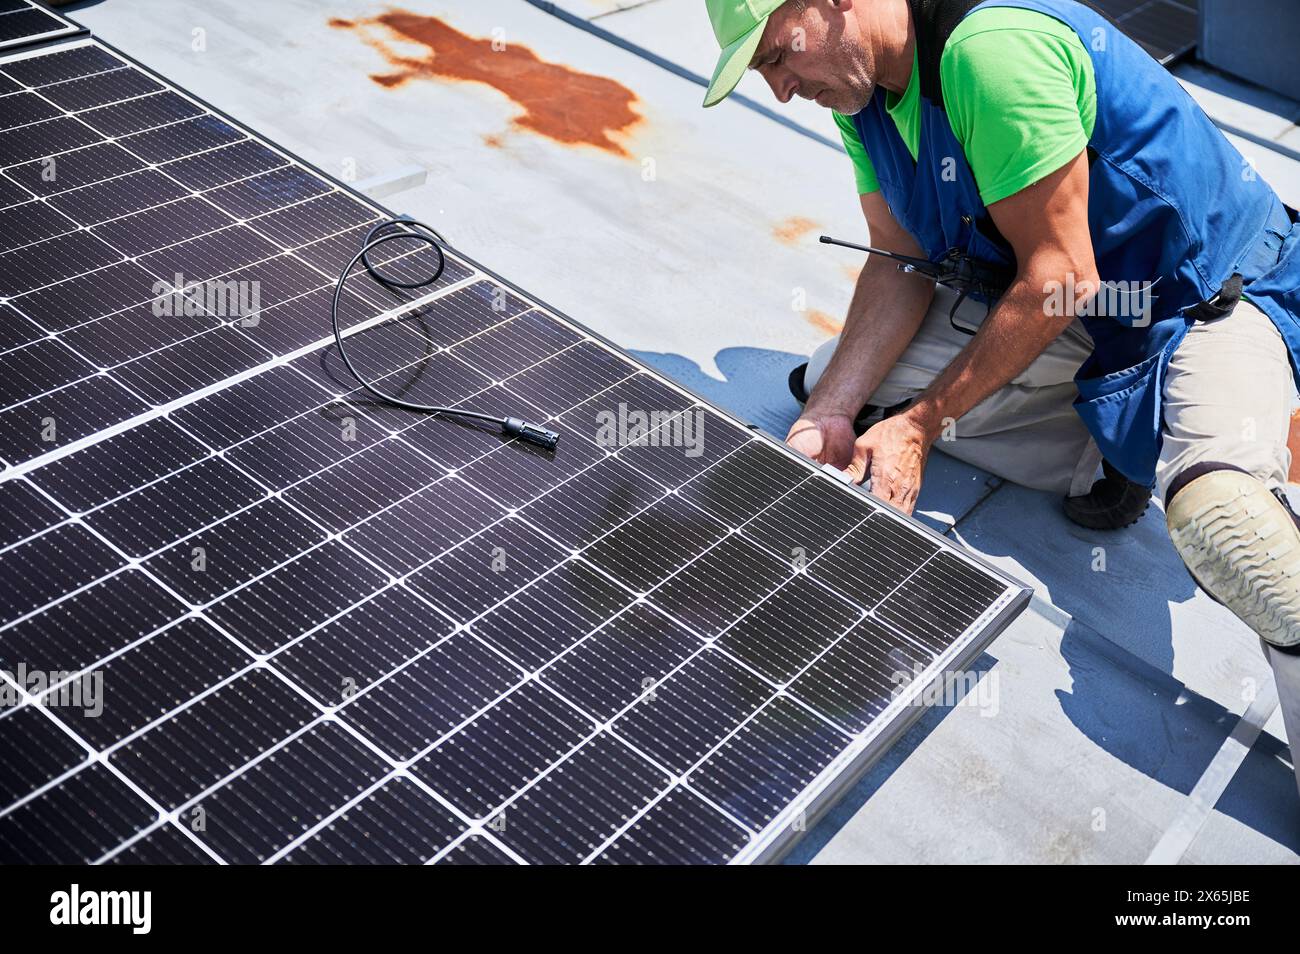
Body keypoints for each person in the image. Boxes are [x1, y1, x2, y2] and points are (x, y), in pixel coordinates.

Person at [701, 0, 1300, 798]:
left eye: (778, 55)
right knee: (830, 378)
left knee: (1224, 520)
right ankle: (1108, 452)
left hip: (1207, 302)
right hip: (1092, 317)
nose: (780, 89)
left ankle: (1196, 439)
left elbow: (1058, 276)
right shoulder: (862, 96)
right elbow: (900, 259)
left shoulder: (989, 51)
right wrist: (831, 415)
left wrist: (921, 425)